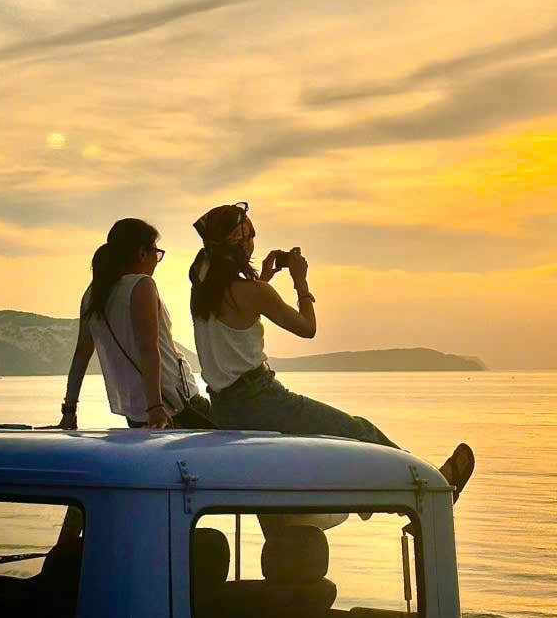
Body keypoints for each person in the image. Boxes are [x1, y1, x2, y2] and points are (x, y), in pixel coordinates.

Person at [188, 201, 475, 499]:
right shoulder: (253, 293)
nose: (253, 242)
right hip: (261, 399)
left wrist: (264, 281)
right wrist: (301, 281)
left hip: (226, 406)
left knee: (342, 445)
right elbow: (307, 328)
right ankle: (431, 489)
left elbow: (235, 317)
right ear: (239, 242)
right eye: (250, 235)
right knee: (359, 433)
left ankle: (391, 495)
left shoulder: (203, 290)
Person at [59, 218, 217, 431]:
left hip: (135, 411)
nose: (156, 259)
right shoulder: (141, 285)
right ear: (141, 253)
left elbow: (81, 356)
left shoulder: (93, 295)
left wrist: (69, 412)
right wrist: (155, 407)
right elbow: (148, 350)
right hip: (175, 404)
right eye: (156, 252)